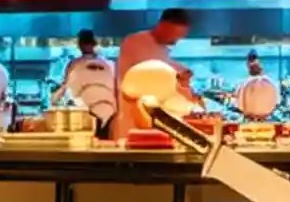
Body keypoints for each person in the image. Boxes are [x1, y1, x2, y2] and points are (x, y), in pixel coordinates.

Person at [114, 8, 193, 138]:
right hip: (132, 119)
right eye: (174, 34)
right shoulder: (135, 41)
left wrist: (181, 77)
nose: (175, 40)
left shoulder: (163, 50)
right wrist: (177, 76)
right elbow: (151, 73)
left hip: (154, 120)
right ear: (163, 25)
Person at [51, 29, 117, 138]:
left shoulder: (76, 65)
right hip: (101, 111)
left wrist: (54, 99)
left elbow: (65, 89)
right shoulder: (109, 64)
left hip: (94, 113)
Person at [234, 51, 280, 120]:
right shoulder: (271, 82)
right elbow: (276, 102)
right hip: (266, 119)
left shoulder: (244, 84)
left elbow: (239, 105)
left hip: (250, 120)